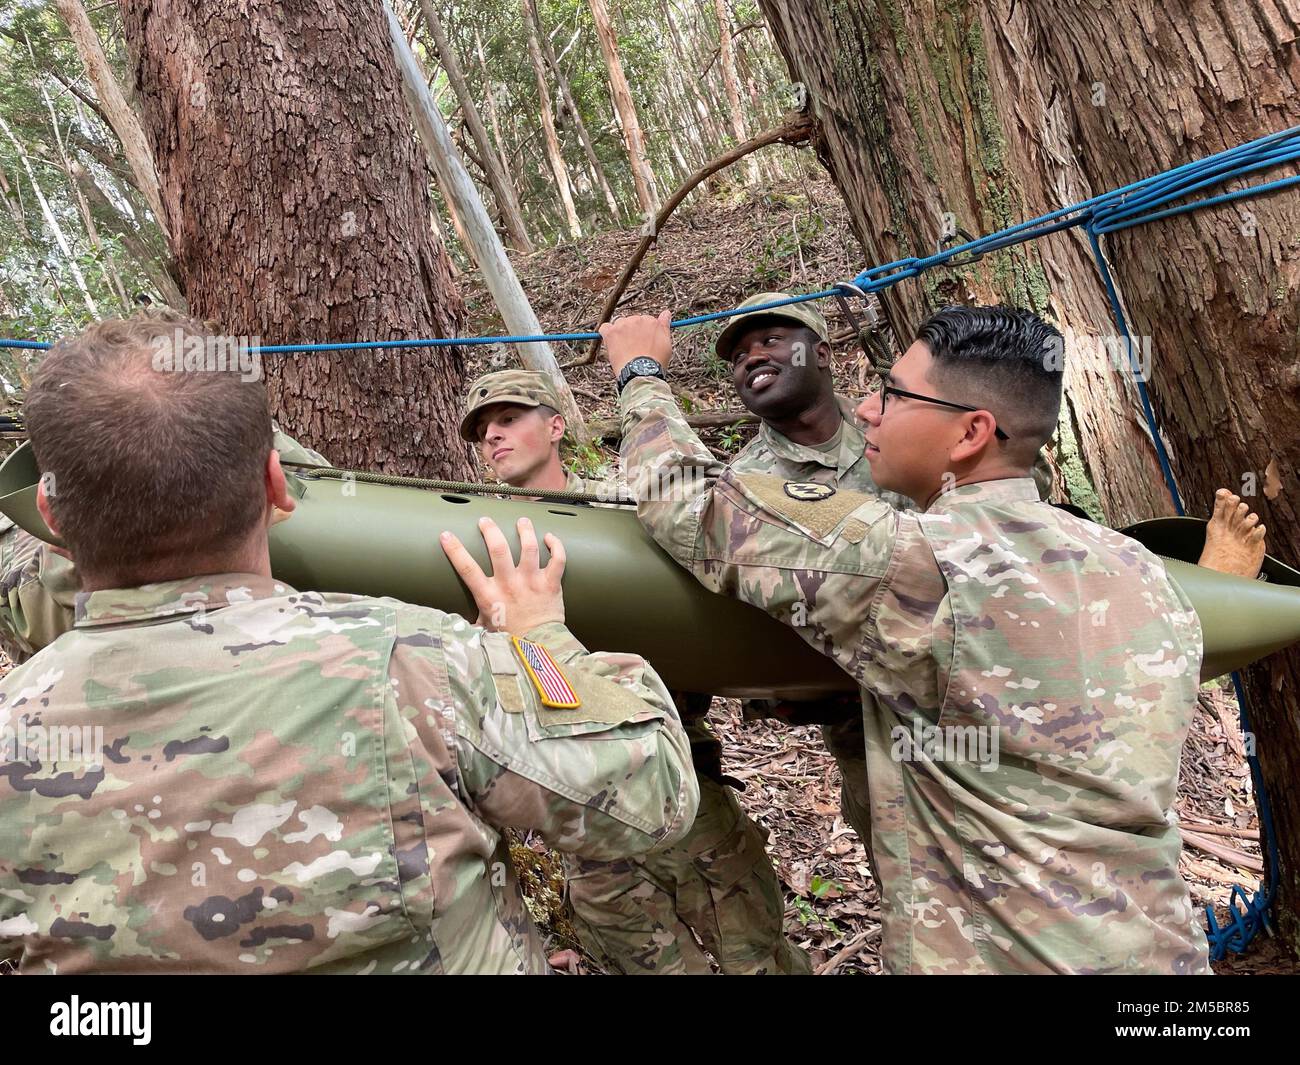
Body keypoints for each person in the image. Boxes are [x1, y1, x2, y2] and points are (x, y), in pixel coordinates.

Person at [0, 313, 697, 974]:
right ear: (277, 484)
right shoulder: (415, 665)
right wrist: (540, 641)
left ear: (50, 516)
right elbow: (655, 791)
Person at [602, 304, 1213, 974]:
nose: (868, 410)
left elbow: (685, 496)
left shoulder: (915, 564)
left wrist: (640, 372)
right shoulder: (1140, 569)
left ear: (970, 433)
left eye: (892, 394)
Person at [460, 368, 811, 974]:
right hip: (575, 801)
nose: (493, 435)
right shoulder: (478, 542)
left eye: (509, 418)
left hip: (678, 780)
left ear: (556, 426)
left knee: (753, 951)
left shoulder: (632, 509)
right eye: (483, 430)